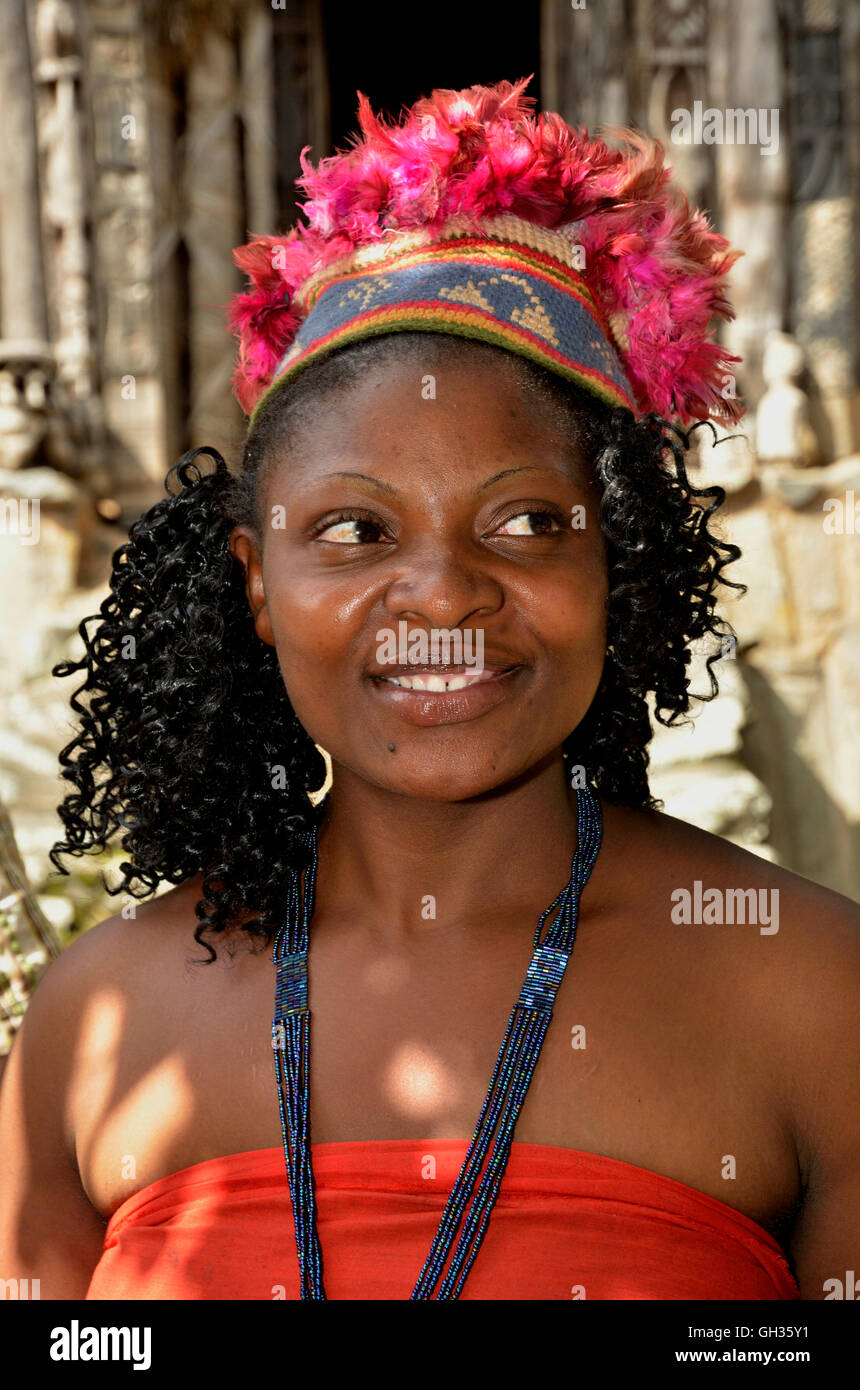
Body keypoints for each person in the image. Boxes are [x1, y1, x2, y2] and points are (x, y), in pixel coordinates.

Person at [0, 78, 857, 1301]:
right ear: (254, 582)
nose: (443, 594)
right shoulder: (98, 1029)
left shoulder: (812, 993)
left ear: (615, 560)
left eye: (522, 521)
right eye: (353, 529)